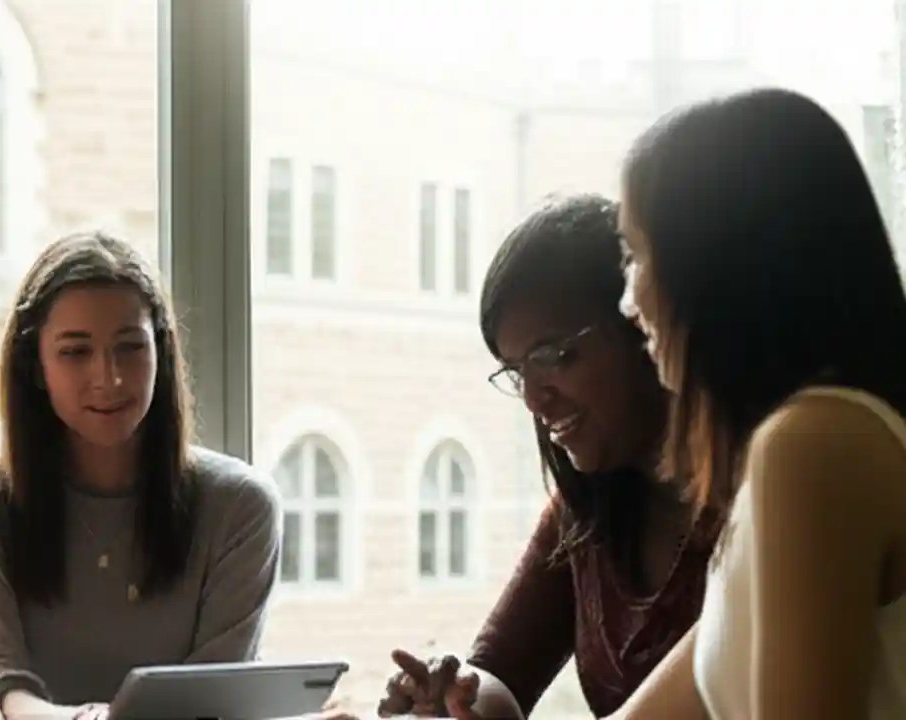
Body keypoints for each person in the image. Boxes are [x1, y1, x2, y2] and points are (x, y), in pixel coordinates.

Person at [609, 87, 906, 720]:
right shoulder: (797, 453)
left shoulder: (813, 444)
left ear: (712, 258)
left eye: (634, 254)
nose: (627, 304)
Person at [376, 195, 720, 719]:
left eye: (550, 357)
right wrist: (454, 697)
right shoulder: (582, 512)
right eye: (516, 371)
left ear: (642, 325)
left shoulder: (759, 495)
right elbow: (499, 673)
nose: (535, 400)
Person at [0, 231, 282, 720]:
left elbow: (215, 699)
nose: (109, 378)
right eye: (75, 352)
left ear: (160, 353)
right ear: (36, 366)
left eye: (129, 347)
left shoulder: (241, 505)